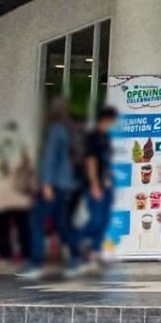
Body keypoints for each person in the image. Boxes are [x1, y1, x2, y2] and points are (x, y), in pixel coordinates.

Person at [18, 98, 82, 279]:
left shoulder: (55, 130)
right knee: (62, 224)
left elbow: (51, 158)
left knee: (36, 222)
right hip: (66, 184)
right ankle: (77, 256)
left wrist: (46, 183)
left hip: (53, 185)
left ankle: (35, 263)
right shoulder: (69, 130)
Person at [0, 121, 35, 265]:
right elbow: (30, 171)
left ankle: (4, 256)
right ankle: (26, 254)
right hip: (19, 193)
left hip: (0, 193)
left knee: (2, 227)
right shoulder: (24, 149)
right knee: (23, 226)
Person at [81, 105, 119, 265]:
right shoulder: (93, 138)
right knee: (96, 219)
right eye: (112, 120)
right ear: (106, 119)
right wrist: (94, 185)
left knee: (103, 220)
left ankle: (94, 250)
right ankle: (74, 238)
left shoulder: (106, 137)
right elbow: (91, 161)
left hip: (107, 183)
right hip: (96, 185)